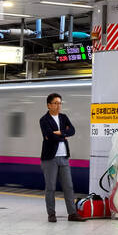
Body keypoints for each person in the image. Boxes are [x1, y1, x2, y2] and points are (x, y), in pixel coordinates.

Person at [39, 93, 80, 223]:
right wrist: (64, 135)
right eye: (56, 103)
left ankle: (72, 213)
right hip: (49, 158)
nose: (59, 106)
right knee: (50, 187)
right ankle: (51, 214)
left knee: (68, 186)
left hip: (64, 157)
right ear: (49, 105)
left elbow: (72, 130)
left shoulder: (63, 117)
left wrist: (60, 133)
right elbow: (49, 136)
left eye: (60, 103)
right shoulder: (44, 120)